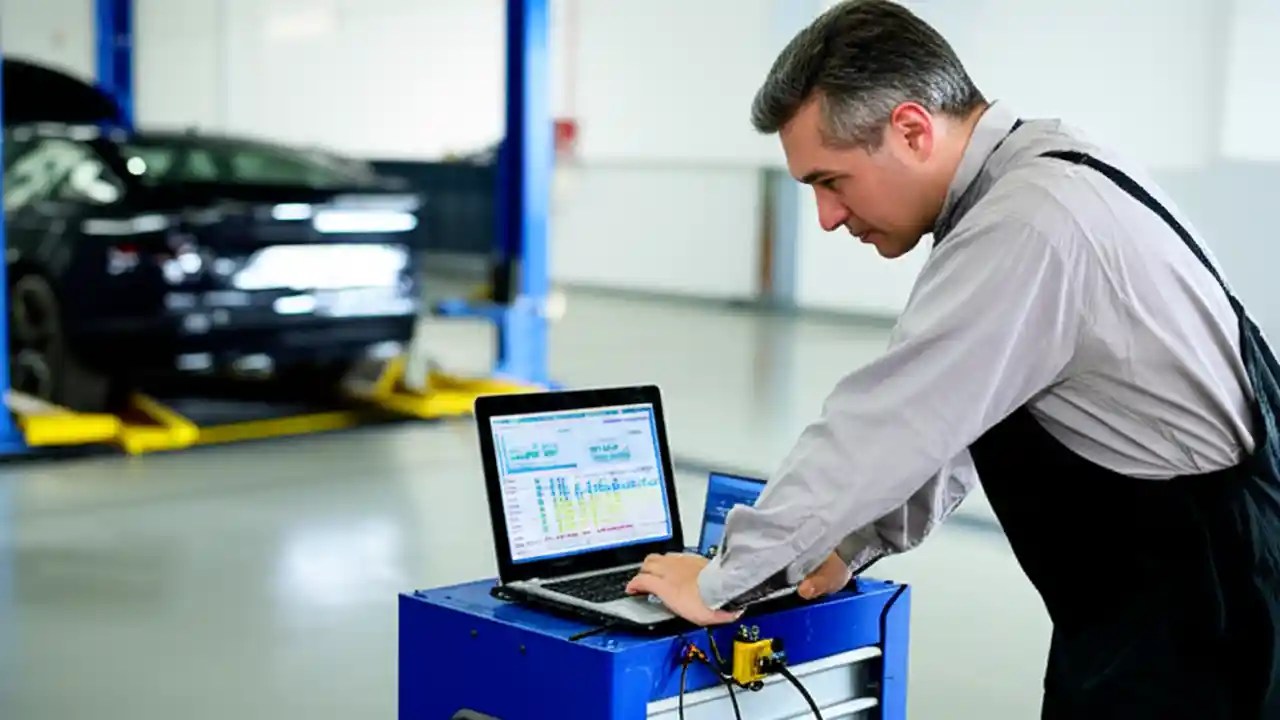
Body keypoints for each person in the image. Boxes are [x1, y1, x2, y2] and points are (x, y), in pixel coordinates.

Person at [623, 1, 1280, 717]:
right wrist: (850, 541)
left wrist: (722, 580)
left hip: (1201, 630)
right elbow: (966, 413)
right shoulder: (1046, 164)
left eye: (830, 180)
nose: (827, 217)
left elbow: (881, 427)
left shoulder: (1028, 223)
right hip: (1175, 601)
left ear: (910, 128)